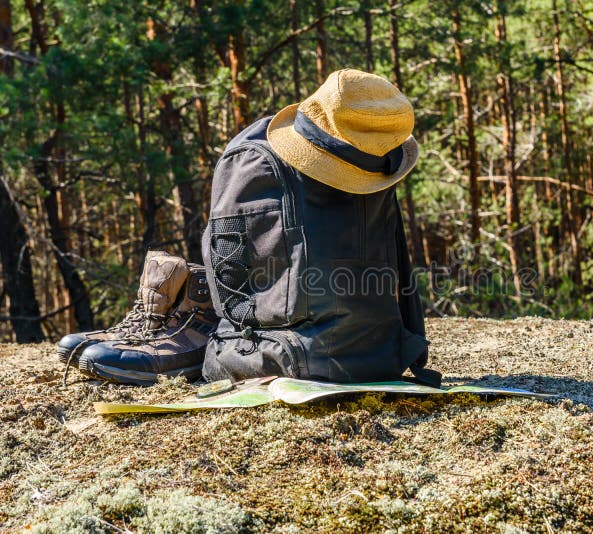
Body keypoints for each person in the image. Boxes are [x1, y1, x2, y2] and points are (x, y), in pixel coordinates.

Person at [60, 68, 436, 387]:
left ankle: (197, 323)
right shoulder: (371, 158)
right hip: (379, 353)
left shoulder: (259, 157)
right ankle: (186, 312)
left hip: (304, 357)